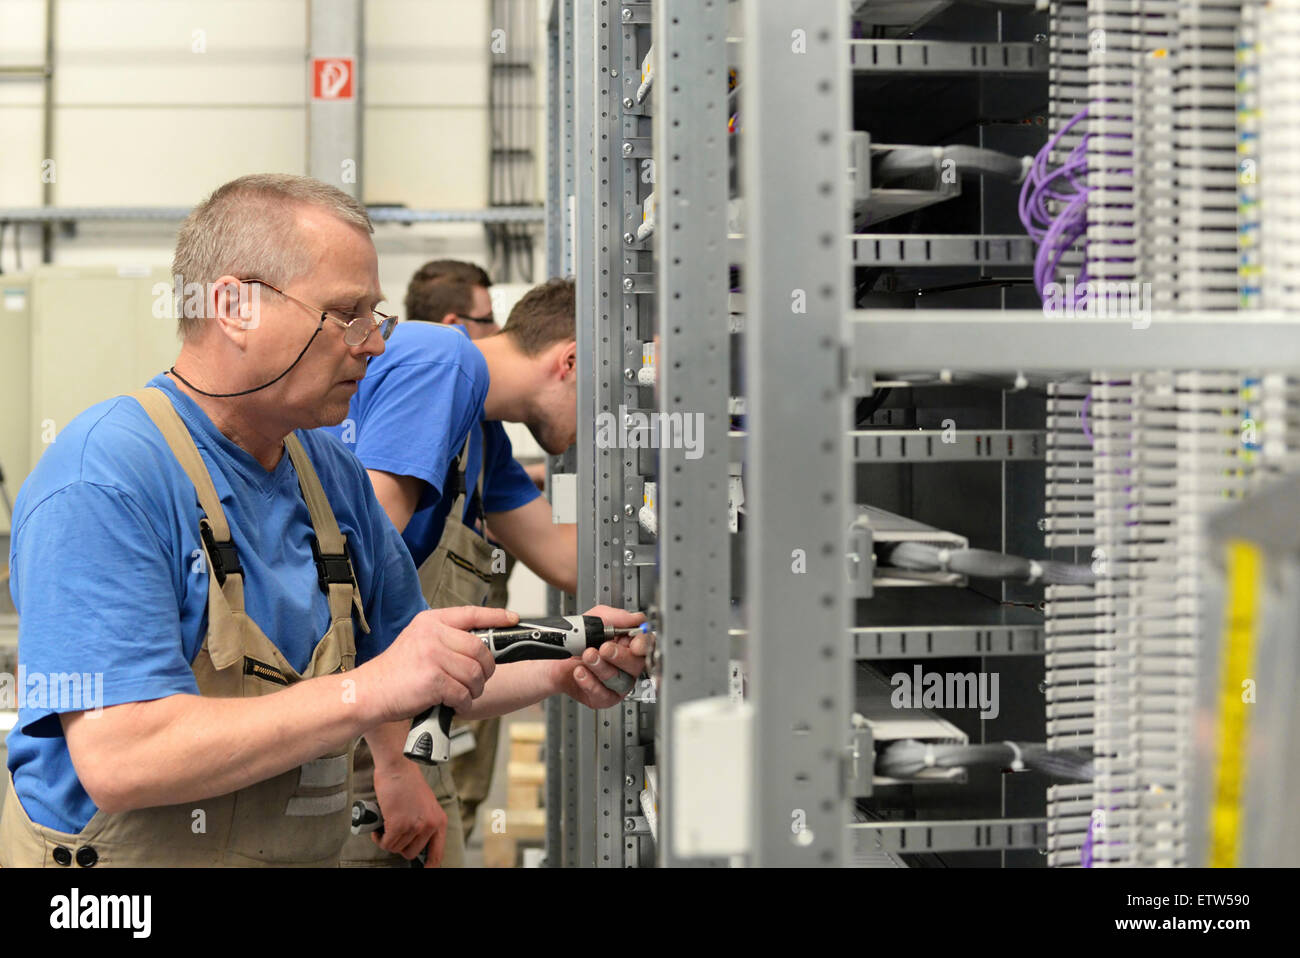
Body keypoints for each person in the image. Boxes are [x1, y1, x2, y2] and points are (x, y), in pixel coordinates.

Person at [0, 174, 648, 867]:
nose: (372, 344)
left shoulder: (325, 473)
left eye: (376, 315)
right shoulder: (106, 478)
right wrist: (366, 692)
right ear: (234, 307)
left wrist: (561, 665)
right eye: (346, 315)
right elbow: (122, 756)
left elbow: (412, 663)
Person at [326, 276, 585, 867]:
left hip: (401, 719)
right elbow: (351, 577)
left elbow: (563, 558)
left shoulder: (478, 434)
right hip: (358, 728)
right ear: (570, 361)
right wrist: (392, 763)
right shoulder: (444, 361)